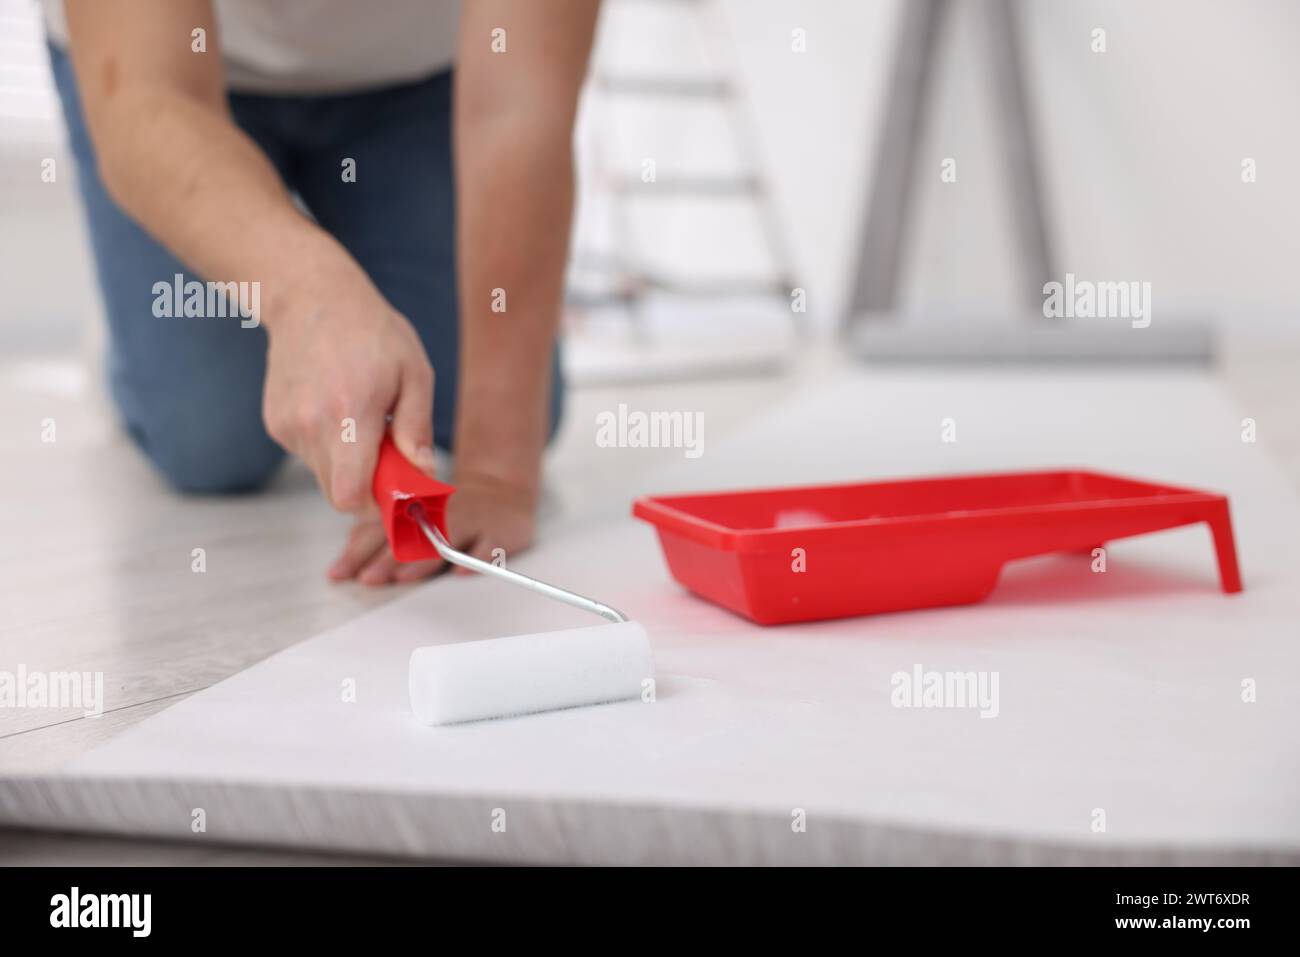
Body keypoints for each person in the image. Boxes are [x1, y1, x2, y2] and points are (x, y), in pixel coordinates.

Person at [43, 0, 599, 585]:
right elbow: (146, 98)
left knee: (488, 401)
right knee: (210, 439)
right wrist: (309, 295)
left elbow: (519, 105)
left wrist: (497, 471)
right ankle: (137, 326)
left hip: (416, 83)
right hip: (172, 82)